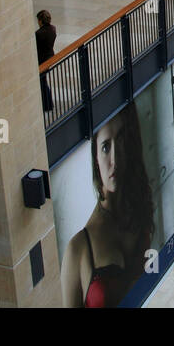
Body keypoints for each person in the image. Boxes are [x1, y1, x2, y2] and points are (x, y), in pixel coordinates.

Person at [60, 102, 154, 307]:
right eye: (105, 147)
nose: (115, 159)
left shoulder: (141, 214)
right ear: (95, 158)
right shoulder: (78, 249)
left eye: (121, 142)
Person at [36, 10, 56, 112]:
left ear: (40, 21)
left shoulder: (39, 33)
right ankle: (48, 104)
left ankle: (47, 105)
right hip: (50, 57)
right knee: (43, 81)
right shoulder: (53, 29)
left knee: (42, 82)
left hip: (42, 60)